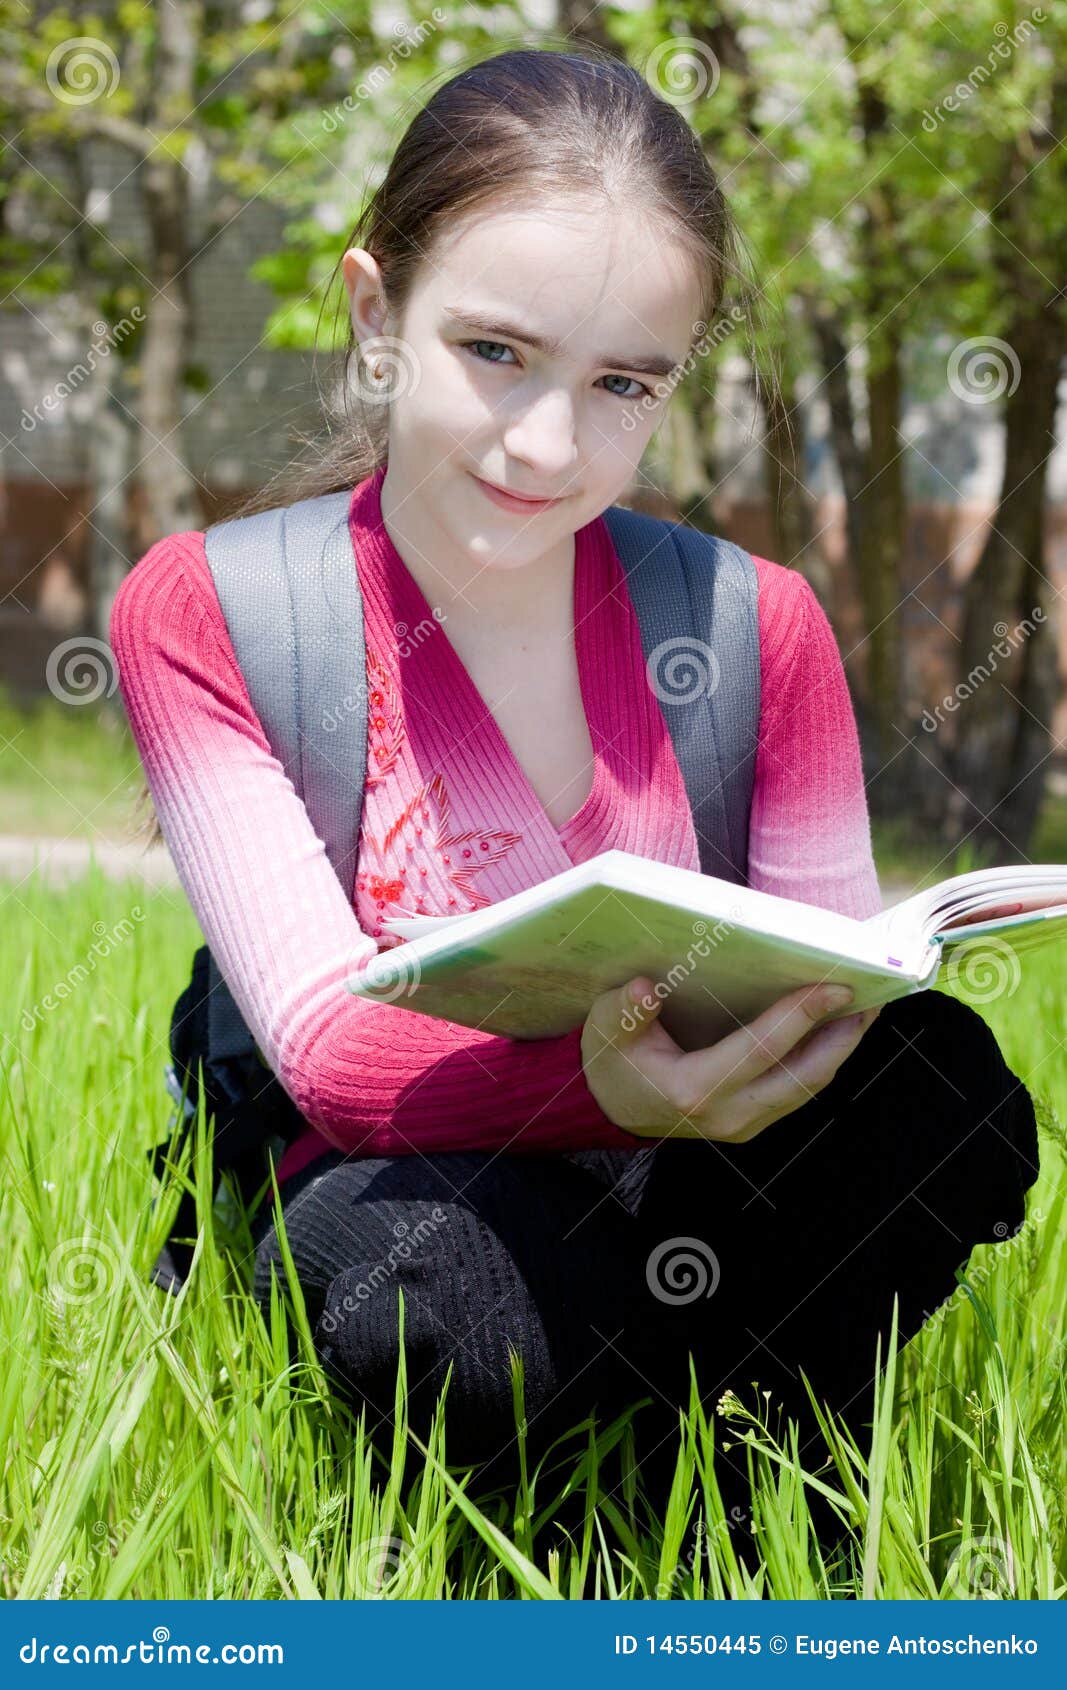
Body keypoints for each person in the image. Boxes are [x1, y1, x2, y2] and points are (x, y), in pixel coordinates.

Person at [110, 45, 1039, 1540]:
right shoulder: (210, 607)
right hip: (412, 1179)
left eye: (623, 383)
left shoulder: (760, 625)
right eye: (495, 352)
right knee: (443, 1295)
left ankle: (754, 1473)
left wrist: (807, 1034)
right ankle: (564, 1487)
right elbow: (338, 1054)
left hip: (693, 1168)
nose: (549, 444)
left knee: (943, 1092)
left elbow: (832, 982)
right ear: (373, 310)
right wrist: (591, 1086)